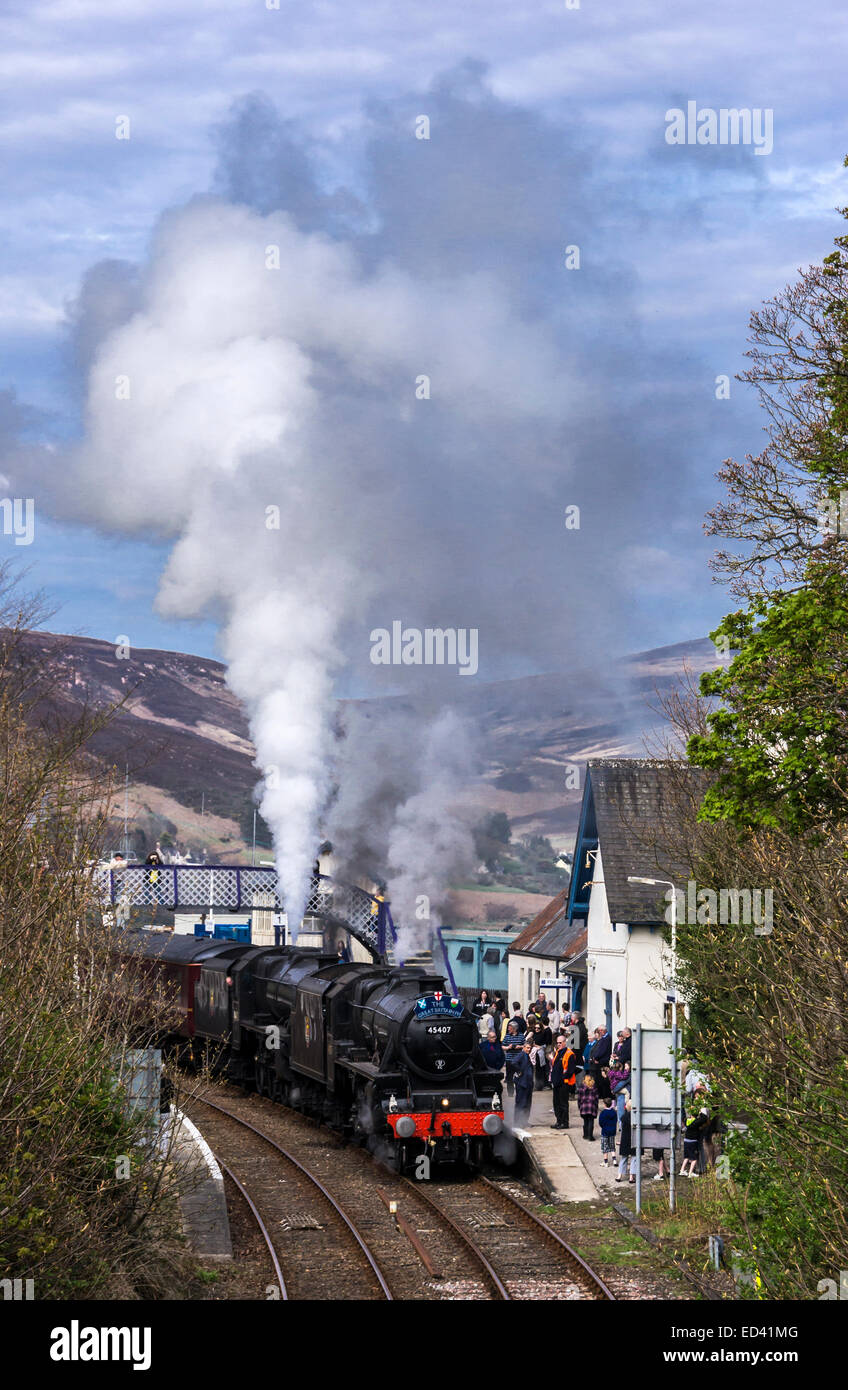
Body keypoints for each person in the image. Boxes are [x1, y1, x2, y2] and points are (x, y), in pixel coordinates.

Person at [549, 1032, 576, 1129]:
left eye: (560, 1043)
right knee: (556, 1103)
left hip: (564, 1083)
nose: (559, 1044)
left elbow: (570, 1070)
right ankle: (558, 1121)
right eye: (558, 1043)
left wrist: (563, 1078)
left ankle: (565, 1123)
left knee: (563, 1104)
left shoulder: (570, 1054)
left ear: (565, 1042)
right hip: (556, 1083)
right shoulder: (557, 1052)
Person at [513, 1042, 536, 1127]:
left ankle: (524, 1121)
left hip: (528, 1083)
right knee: (520, 1104)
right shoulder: (522, 1055)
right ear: (523, 1047)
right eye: (527, 1048)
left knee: (527, 1104)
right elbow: (514, 1062)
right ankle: (517, 1122)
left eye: (530, 1048)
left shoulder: (527, 1056)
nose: (528, 1050)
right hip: (522, 1083)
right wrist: (519, 1071)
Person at [615, 1097, 637, 1183]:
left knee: (624, 1158)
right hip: (634, 1139)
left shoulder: (623, 1117)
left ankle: (619, 1175)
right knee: (634, 1158)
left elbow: (621, 1128)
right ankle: (631, 1176)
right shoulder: (636, 1117)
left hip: (625, 1140)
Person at [502, 1020, 523, 1096]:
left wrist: (519, 1046)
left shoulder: (521, 1035)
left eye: (509, 1028)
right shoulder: (507, 1036)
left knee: (520, 1076)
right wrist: (508, 1047)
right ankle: (510, 1093)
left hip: (518, 1060)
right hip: (509, 1060)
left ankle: (520, 1092)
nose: (508, 1029)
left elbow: (525, 1045)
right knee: (509, 1078)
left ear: (514, 1029)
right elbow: (502, 1046)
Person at [576, 1072, 599, 1140]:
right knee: (591, 1121)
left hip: (584, 1107)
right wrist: (596, 1107)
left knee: (585, 1122)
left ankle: (585, 1135)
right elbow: (596, 1098)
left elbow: (579, 1099)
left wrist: (579, 1106)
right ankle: (590, 1136)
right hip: (592, 1107)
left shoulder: (581, 1088)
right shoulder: (594, 1088)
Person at [598, 1097, 617, 1166]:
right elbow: (615, 1121)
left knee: (605, 1146)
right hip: (612, 1131)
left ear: (604, 1104)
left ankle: (606, 1162)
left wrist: (604, 1127)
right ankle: (614, 1160)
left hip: (605, 1132)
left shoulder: (603, 1113)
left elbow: (601, 1122)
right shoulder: (614, 1112)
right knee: (612, 1145)